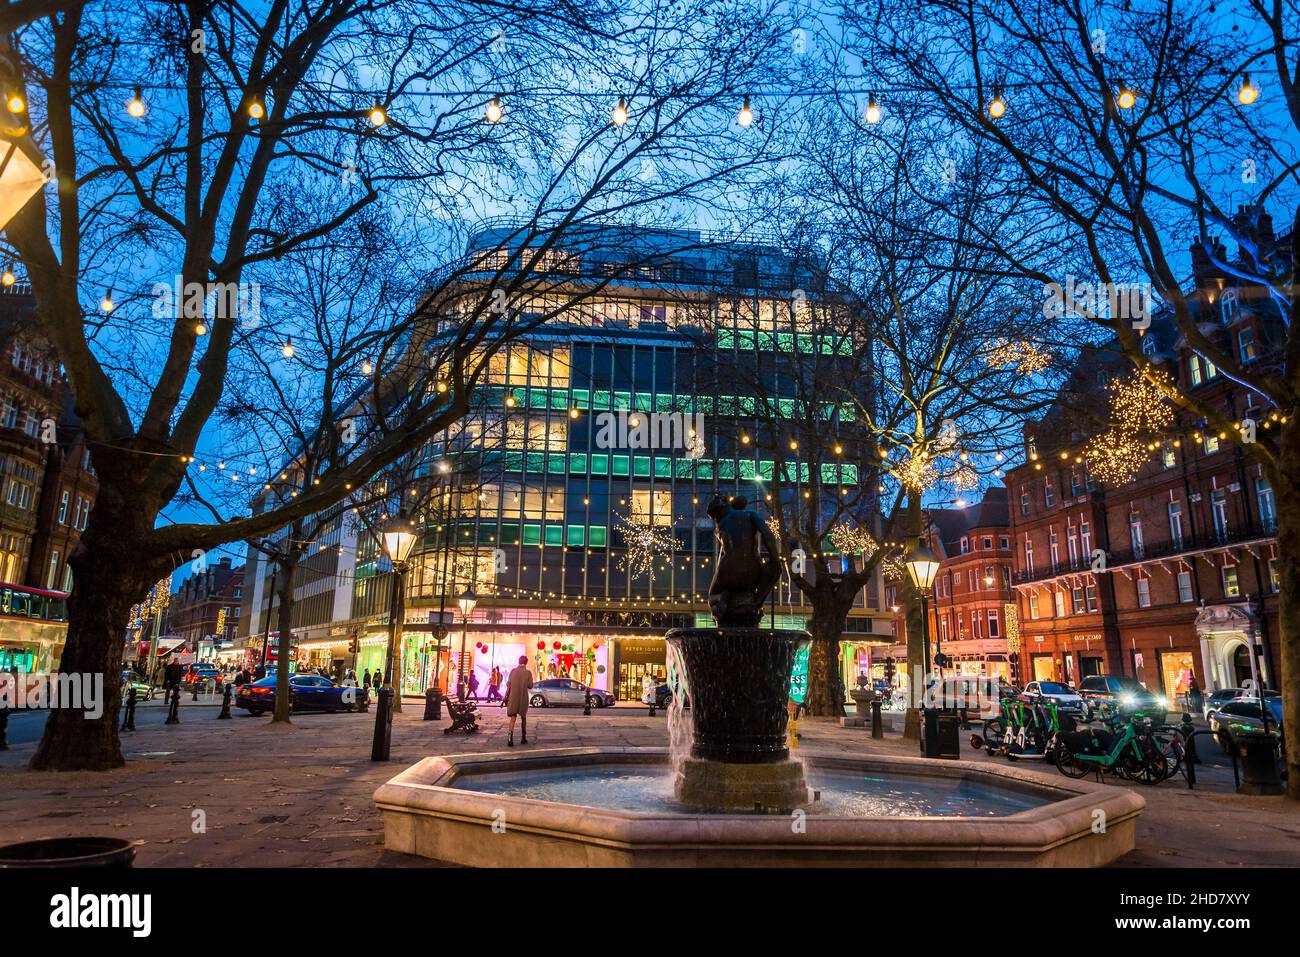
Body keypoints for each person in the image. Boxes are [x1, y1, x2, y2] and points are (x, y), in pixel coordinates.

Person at [505, 655, 533, 747]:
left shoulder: (513, 671)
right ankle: (523, 738)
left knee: (513, 717)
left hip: (513, 697)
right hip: (523, 697)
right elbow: (530, 685)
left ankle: (510, 738)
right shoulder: (528, 673)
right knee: (523, 717)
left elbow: (508, 684)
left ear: (518, 661)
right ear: (526, 662)